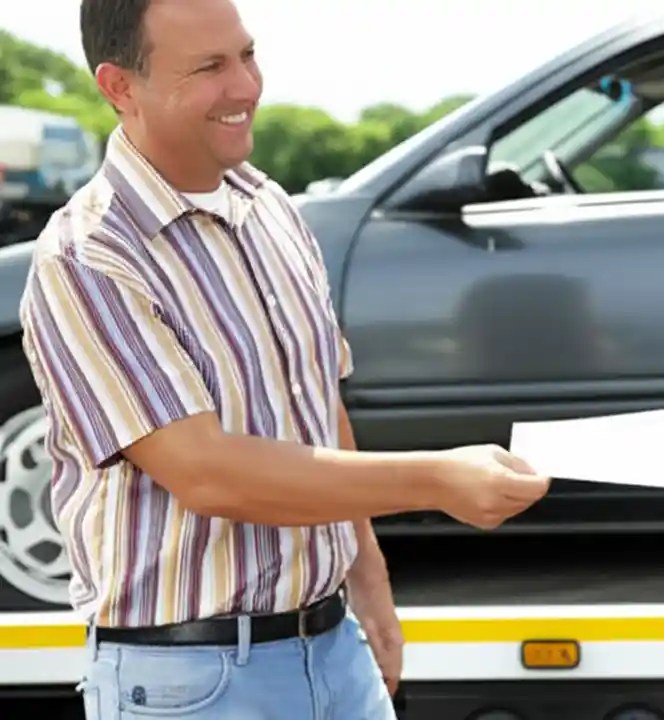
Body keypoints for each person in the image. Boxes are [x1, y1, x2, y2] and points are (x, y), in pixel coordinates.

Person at [19, 0, 550, 717]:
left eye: (246, 54)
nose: (246, 86)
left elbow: (315, 399)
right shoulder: (90, 258)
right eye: (210, 67)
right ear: (119, 87)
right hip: (193, 683)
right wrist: (435, 479)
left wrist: (368, 575)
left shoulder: (270, 207)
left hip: (334, 650)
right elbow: (206, 473)